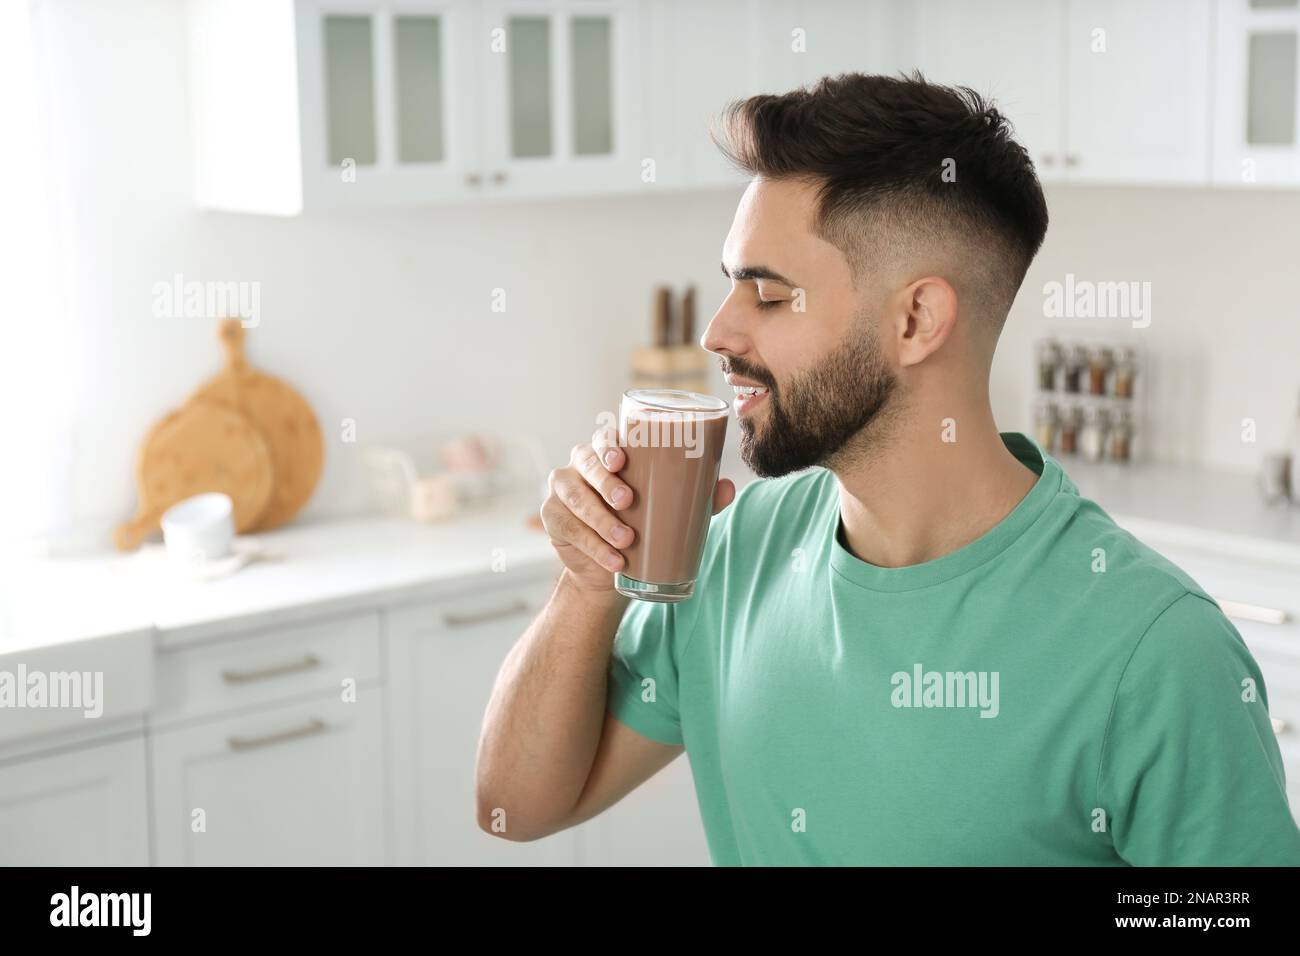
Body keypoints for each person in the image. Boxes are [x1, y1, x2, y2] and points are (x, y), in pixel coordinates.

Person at [475, 72, 1300, 865]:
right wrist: (588, 584)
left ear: (915, 320)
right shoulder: (729, 556)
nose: (718, 333)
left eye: (766, 295)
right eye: (730, 286)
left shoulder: (1158, 652)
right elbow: (514, 807)